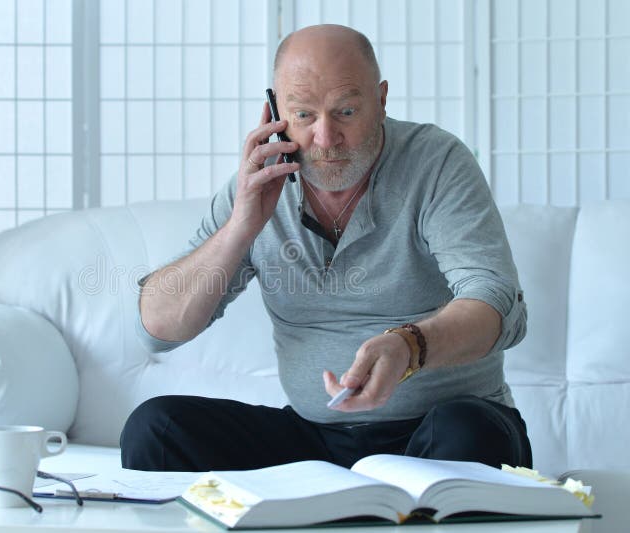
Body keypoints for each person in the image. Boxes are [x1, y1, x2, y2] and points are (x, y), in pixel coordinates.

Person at [120, 24, 531, 472]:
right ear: (276, 113)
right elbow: (156, 330)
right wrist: (240, 227)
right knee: (155, 429)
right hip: (316, 437)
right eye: (303, 116)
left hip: (437, 430)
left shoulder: (436, 163)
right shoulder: (257, 188)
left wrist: (409, 347)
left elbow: (496, 301)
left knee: (470, 433)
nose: (326, 138)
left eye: (347, 111)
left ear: (382, 100)